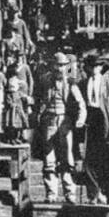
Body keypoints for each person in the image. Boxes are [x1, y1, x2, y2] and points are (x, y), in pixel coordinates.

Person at [38, 52, 85, 203]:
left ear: (66, 67)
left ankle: (69, 193)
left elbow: (81, 105)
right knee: (49, 158)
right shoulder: (45, 81)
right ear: (52, 66)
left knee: (66, 158)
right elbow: (40, 101)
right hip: (49, 121)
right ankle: (51, 193)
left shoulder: (71, 83)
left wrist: (80, 118)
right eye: (57, 65)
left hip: (65, 121)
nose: (60, 69)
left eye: (63, 66)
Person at [79, 53, 109, 204]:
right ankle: (93, 194)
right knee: (90, 161)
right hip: (90, 123)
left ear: (100, 68)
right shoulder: (83, 83)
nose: (94, 69)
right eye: (91, 66)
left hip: (105, 124)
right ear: (87, 68)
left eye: (97, 66)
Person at [2, 74, 32, 144]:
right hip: (11, 113)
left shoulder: (19, 93)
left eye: (14, 86)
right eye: (11, 86)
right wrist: (12, 104)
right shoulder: (8, 94)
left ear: (18, 87)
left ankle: (17, 137)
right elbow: (8, 102)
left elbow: (25, 98)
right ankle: (11, 138)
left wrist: (27, 99)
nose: (12, 88)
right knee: (11, 126)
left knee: (19, 126)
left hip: (18, 113)